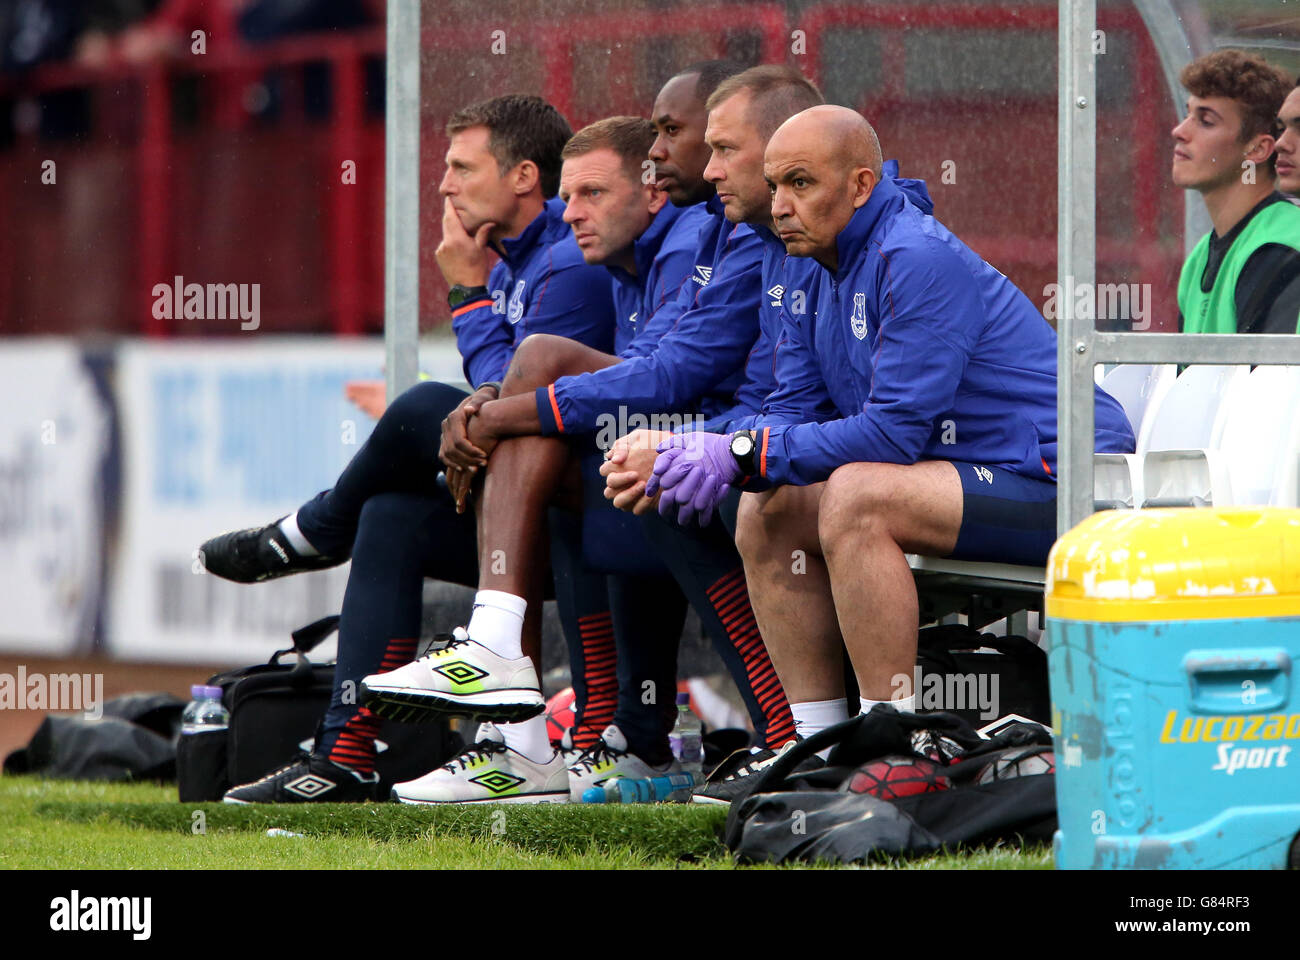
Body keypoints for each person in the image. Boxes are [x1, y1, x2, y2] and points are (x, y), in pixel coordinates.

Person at [359, 66, 831, 798]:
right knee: (425, 493)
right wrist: (500, 385)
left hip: (907, 471)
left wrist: (483, 359)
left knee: (526, 433)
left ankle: (610, 732)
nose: (671, 156)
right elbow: (665, 375)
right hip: (756, 449)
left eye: (678, 135)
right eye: (569, 195)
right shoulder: (674, 243)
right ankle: (430, 732)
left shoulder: (662, 246)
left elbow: (678, 377)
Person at [632, 106, 1135, 780]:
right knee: (769, 504)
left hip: (1066, 480)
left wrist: (740, 454)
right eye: (776, 184)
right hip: (956, 477)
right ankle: (818, 746)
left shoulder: (917, 257)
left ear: (861, 184)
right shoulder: (807, 263)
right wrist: (690, 446)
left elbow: (892, 436)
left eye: (802, 184)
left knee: (857, 494)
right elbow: (790, 411)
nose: (781, 206)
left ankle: (891, 744)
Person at [205, 94, 619, 803]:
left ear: (523, 176)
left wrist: (464, 291)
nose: (445, 185)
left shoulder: (568, 260)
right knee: (392, 515)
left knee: (424, 407)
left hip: (592, 513)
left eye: (462, 167)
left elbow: (509, 398)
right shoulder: (515, 258)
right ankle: (345, 756)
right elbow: (498, 398)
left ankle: (311, 530)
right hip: (530, 516)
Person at [1174, 50, 1300, 335]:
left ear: (1256, 149)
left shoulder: (1283, 246)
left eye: (1206, 121)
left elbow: (1276, 378)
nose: (1179, 131)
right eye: (1187, 114)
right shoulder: (1198, 259)